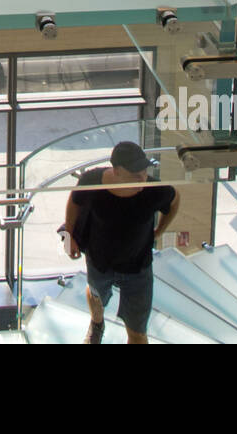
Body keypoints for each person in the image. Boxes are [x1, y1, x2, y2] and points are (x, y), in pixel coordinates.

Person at [63, 141, 179, 344]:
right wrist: (68, 236)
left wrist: (159, 231)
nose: (142, 177)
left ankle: (99, 324)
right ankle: (97, 323)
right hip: (99, 262)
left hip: (138, 268)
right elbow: (74, 202)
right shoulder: (92, 181)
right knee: (97, 295)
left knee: (137, 332)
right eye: (135, 173)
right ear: (115, 171)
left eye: (144, 171)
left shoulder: (152, 190)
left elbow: (175, 199)